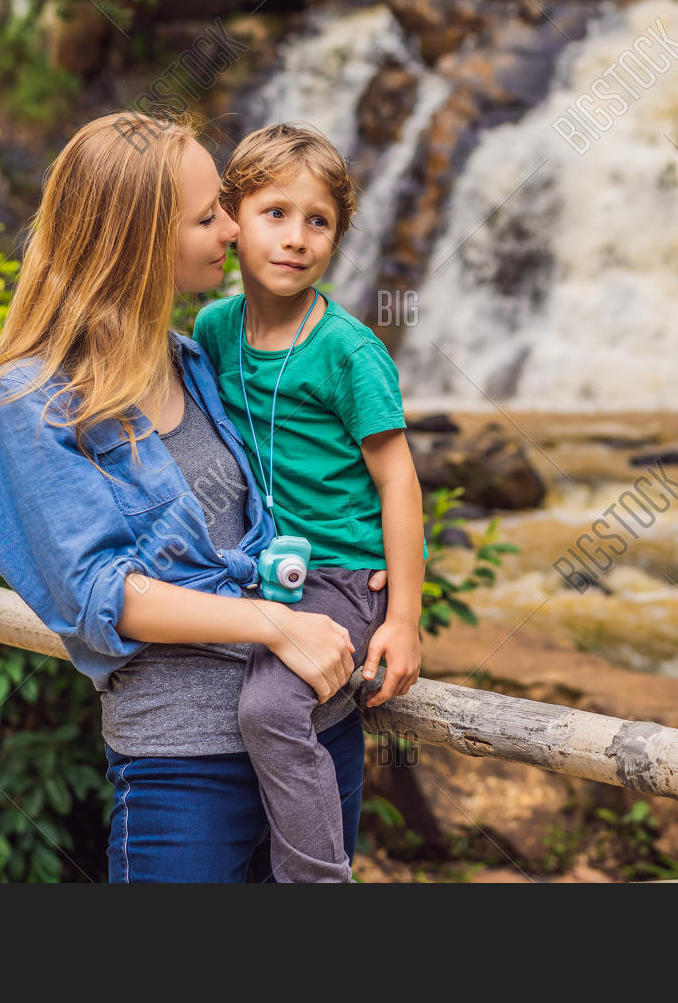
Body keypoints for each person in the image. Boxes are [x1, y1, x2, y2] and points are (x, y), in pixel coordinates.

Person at [0, 111, 373, 883]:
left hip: (317, 727)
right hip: (189, 767)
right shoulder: (25, 401)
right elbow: (98, 594)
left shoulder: (191, 357)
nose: (234, 230)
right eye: (210, 214)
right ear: (142, 236)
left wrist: (368, 582)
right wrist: (276, 623)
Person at [193, 121, 425, 883]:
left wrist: (402, 620)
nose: (296, 238)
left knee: (267, 709)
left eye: (317, 221)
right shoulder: (215, 329)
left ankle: (320, 881)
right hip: (261, 568)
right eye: (275, 214)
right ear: (231, 221)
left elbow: (398, 479)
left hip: (341, 574)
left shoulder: (349, 352)